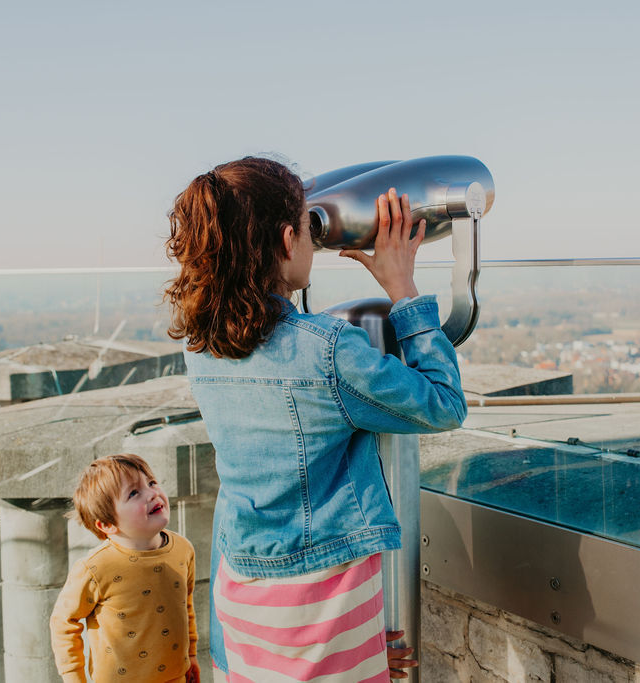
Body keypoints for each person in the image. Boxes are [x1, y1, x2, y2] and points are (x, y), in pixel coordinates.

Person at [165, 156, 467, 682]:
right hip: (323, 600)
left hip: (244, 593)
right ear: (286, 241)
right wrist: (402, 288)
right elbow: (443, 405)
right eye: (309, 227)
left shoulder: (202, 345)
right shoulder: (329, 352)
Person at [50, 454, 200, 683]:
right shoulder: (95, 568)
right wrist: (74, 677)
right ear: (107, 524)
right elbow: (63, 621)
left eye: (151, 483)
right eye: (133, 493)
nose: (152, 493)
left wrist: (191, 655)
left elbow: (185, 605)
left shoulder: (183, 549)